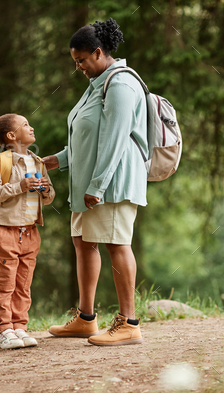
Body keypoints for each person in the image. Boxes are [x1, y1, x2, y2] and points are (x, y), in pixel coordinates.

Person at [43, 18, 147, 346]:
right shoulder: (96, 85)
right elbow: (86, 138)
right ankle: (86, 319)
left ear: (98, 53)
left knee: (117, 244)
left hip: (111, 184)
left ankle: (129, 323)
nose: (78, 67)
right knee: (83, 242)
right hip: (87, 184)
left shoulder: (120, 84)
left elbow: (115, 138)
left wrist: (98, 186)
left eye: (81, 61)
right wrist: (56, 161)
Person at [0, 113, 55, 349]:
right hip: (5, 230)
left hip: (30, 232)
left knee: (23, 283)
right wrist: (19, 186)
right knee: (4, 282)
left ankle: (20, 328)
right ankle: (4, 330)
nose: (31, 128)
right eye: (26, 125)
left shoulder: (39, 163)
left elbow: (50, 197)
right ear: (12, 136)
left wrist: (45, 190)